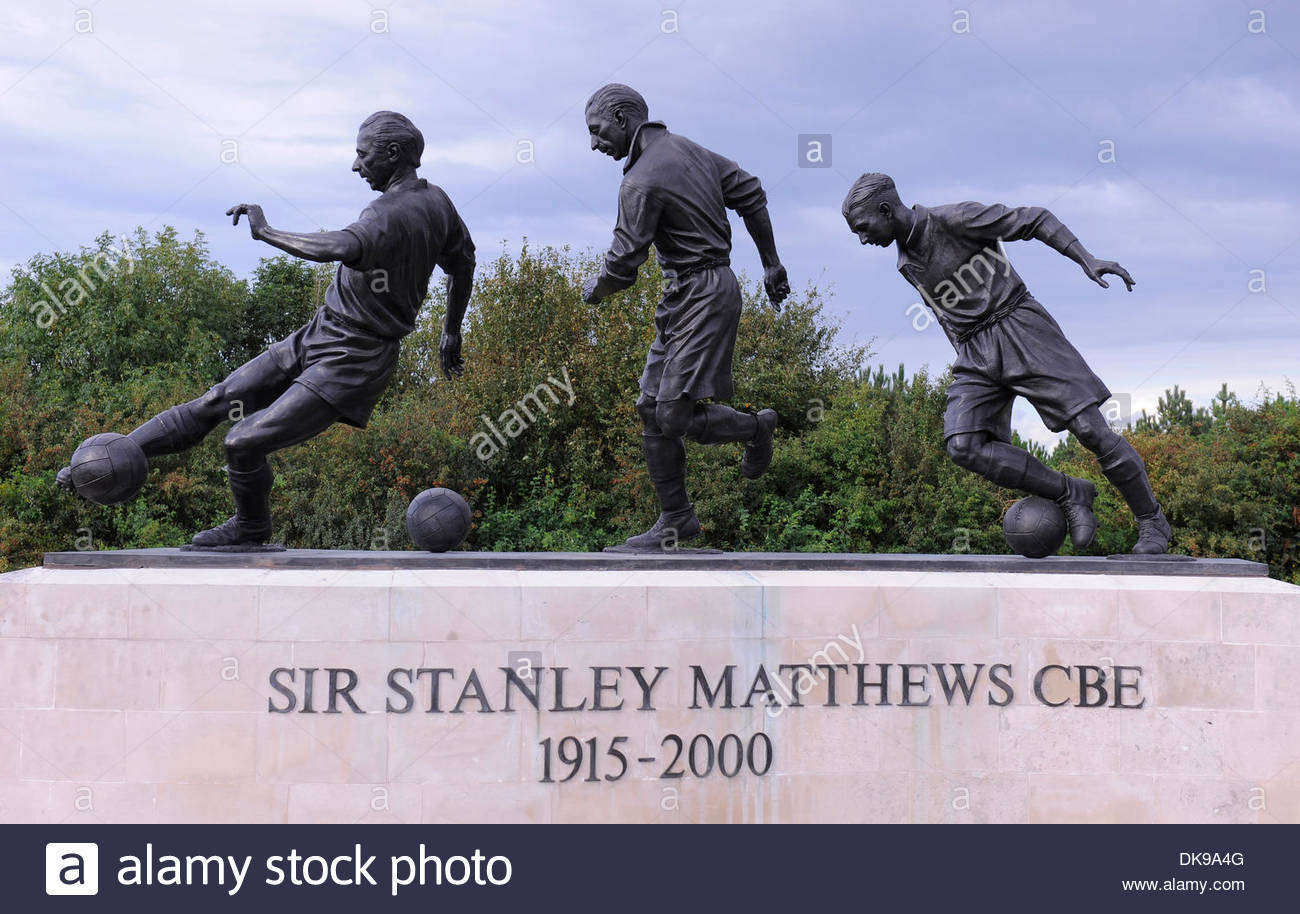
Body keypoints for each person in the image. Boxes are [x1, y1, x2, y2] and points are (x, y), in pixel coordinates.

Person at [58, 111, 476, 549]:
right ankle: (122, 451)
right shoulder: (438, 202)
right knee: (219, 399)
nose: (356, 165)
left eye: (362, 155)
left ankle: (252, 528)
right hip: (321, 332)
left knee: (242, 442)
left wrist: (266, 231)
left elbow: (339, 246)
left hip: (353, 360)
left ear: (393, 154)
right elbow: (463, 265)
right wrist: (451, 332)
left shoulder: (388, 213)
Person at [841, 172, 1170, 554]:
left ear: (885, 209)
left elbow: (1034, 218)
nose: (864, 240)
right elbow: (946, 315)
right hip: (975, 351)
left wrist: (1086, 258)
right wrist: (971, 365)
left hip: (1021, 326)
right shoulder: (904, 261)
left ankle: (1152, 523)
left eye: (863, 229)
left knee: (1091, 430)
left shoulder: (954, 218)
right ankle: (1070, 492)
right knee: (963, 445)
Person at [581, 84, 791, 552]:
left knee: (673, 414)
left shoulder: (641, 179)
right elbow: (752, 193)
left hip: (705, 292)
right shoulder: (691, 151)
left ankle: (756, 429)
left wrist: (594, 290)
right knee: (649, 410)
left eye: (596, 132)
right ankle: (676, 521)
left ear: (622, 117)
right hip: (685, 293)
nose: (594, 144)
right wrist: (771, 261)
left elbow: (623, 261)